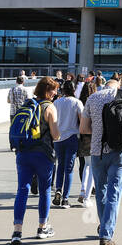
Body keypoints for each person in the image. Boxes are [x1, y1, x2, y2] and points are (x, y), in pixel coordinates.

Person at [79, 74, 122, 245]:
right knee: (114, 192)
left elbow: (83, 128)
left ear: (104, 85)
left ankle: (104, 226)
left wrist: (99, 131)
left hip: (97, 151)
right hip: (119, 150)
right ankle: (106, 234)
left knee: (101, 191)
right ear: (118, 85)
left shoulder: (92, 97)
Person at [9, 77, 60, 245]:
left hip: (23, 153)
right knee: (45, 190)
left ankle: (17, 231)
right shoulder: (49, 107)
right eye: (53, 90)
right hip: (42, 155)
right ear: (47, 90)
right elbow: (55, 135)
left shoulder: (28, 104)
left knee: (22, 190)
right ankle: (42, 227)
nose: (55, 93)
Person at [51, 80, 83, 209]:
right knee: (69, 169)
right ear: (74, 90)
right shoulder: (76, 102)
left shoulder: (57, 102)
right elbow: (82, 120)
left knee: (60, 166)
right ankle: (65, 198)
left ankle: (58, 189)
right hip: (72, 137)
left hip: (58, 138)